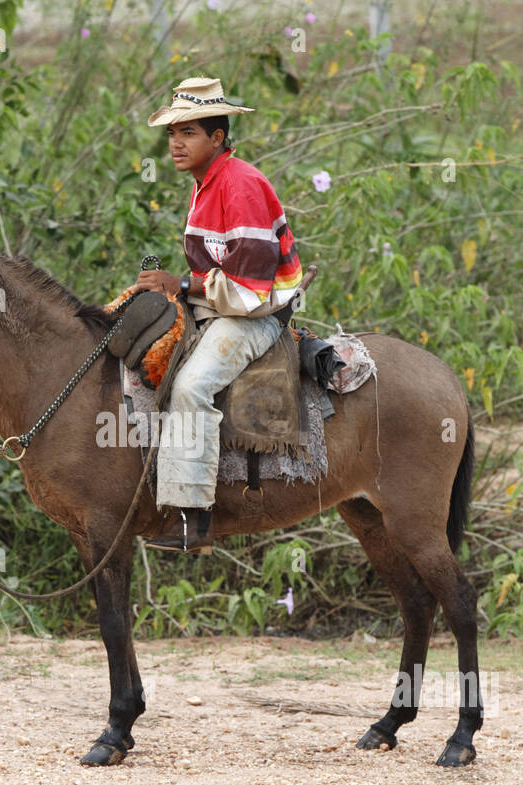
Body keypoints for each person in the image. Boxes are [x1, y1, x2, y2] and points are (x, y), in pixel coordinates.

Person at [133, 76, 303, 554]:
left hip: (254, 314)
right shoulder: (205, 182)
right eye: (171, 133)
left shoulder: (241, 183)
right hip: (218, 302)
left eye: (188, 132)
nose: (175, 143)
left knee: (191, 386)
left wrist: (182, 284)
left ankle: (194, 520)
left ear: (217, 138)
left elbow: (250, 287)